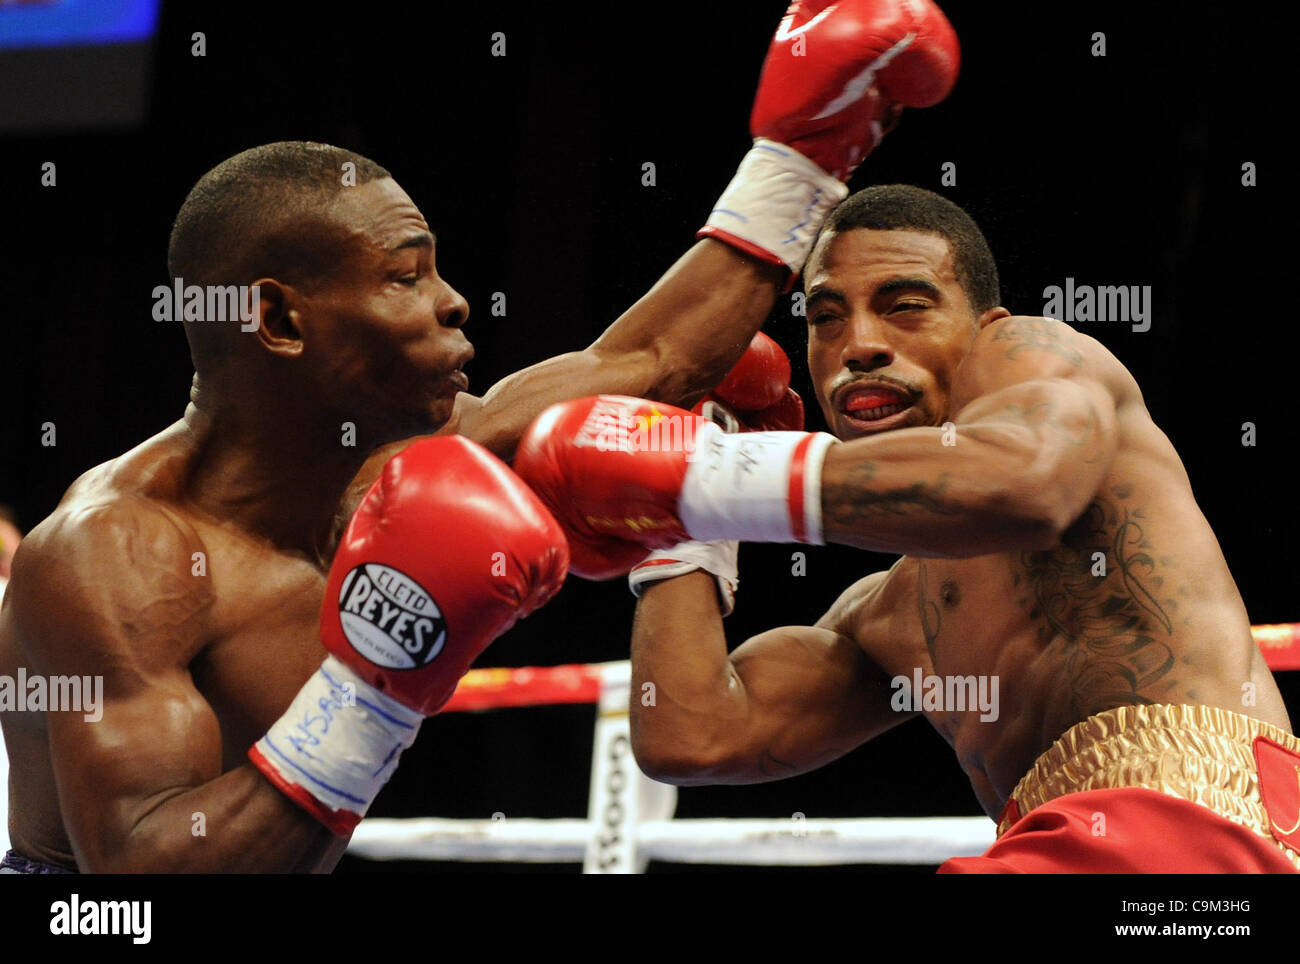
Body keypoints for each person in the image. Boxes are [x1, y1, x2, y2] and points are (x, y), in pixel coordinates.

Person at [0, 0, 960, 873]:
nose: (455, 301)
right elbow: (132, 882)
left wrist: (803, 158)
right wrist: (374, 693)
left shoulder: (416, 459)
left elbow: (661, 356)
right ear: (280, 322)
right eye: (406, 276)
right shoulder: (115, 556)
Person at [514, 183, 1300, 872]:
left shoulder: (1037, 352)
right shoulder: (890, 615)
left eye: (906, 305)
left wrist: (698, 474)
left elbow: (1024, 484)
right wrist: (684, 527)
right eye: (826, 318)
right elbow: (694, 736)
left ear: (981, 322)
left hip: (1198, 823)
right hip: (1069, 844)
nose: (859, 346)